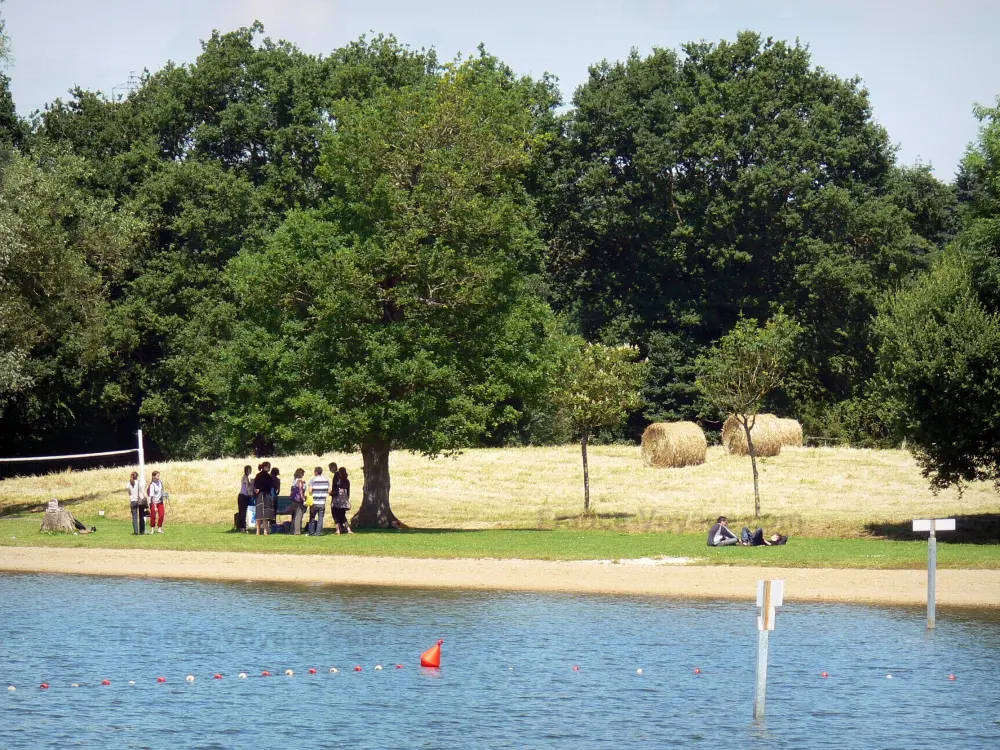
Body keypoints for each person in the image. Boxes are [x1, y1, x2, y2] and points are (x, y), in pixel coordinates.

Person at [253, 462, 274, 535]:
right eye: (268, 466)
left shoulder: (258, 475)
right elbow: (270, 486)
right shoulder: (268, 476)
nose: (269, 468)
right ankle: (265, 531)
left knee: (259, 513)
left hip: (258, 496)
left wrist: (256, 490)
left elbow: (255, 485)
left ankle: (258, 531)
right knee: (265, 513)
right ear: (264, 467)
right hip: (265, 495)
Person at [308, 466, 329, 536]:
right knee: (320, 518)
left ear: (316, 472)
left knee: (312, 518)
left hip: (314, 502)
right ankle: (319, 532)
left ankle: (311, 532)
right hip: (322, 502)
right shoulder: (326, 480)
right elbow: (329, 490)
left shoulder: (313, 480)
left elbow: (310, 491)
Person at [332, 466, 352, 535]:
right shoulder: (347, 481)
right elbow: (348, 492)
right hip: (344, 501)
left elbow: (336, 492)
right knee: (342, 515)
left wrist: (330, 493)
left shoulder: (338, 481)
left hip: (337, 501)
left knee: (336, 515)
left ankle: (338, 530)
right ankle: (348, 529)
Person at [127, 471, 146, 535]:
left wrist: (131, 497)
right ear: (137, 476)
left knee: (134, 517)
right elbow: (142, 491)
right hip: (140, 501)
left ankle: (136, 531)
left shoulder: (129, 483)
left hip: (133, 501)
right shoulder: (139, 482)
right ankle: (142, 531)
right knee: (141, 516)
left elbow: (129, 493)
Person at [289, 468, 307, 535]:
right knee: (298, 516)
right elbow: (301, 491)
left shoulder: (294, 481)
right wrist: (303, 499)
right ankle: (297, 532)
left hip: (294, 500)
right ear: (301, 474)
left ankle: (292, 530)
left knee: (295, 516)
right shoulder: (300, 481)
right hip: (299, 501)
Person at [237, 465, 253, 532]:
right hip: (243, 496)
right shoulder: (245, 478)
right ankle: (242, 528)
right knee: (242, 513)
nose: (250, 470)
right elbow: (247, 488)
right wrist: (251, 493)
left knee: (243, 512)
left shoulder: (246, 477)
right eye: (249, 469)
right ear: (246, 470)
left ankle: (242, 527)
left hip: (243, 496)